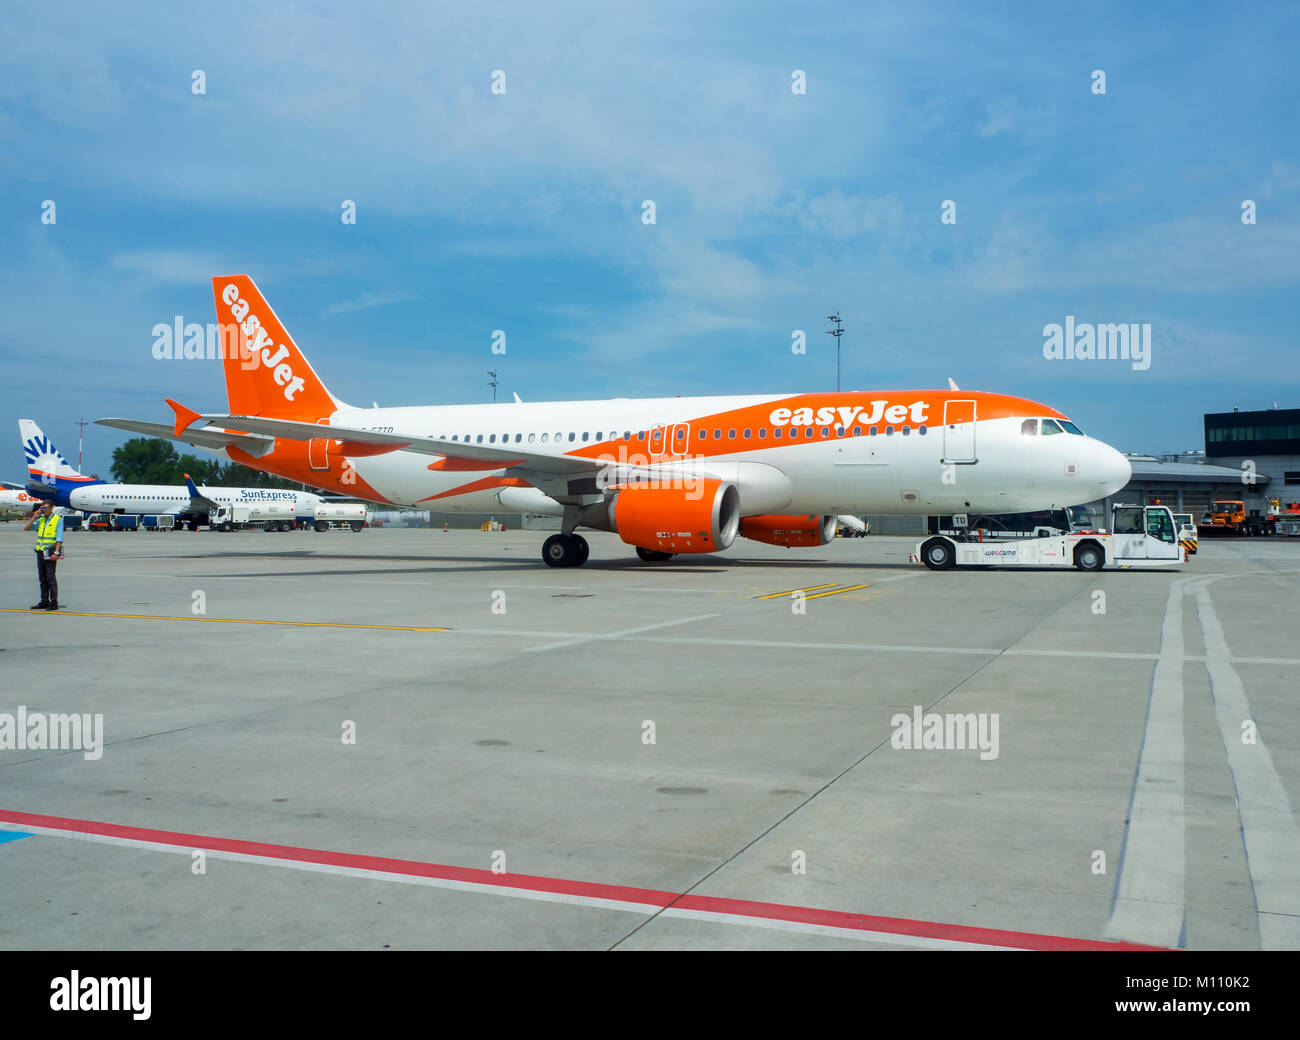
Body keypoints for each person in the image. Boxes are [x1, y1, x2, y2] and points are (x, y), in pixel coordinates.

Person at [23, 499, 64, 610]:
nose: (43, 510)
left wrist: (56, 552)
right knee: (42, 578)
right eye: (42, 508)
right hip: (40, 552)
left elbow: (59, 538)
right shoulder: (40, 520)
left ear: (51, 508)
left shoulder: (57, 520)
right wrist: (34, 517)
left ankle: (53, 602)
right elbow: (26, 528)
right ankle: (44, 601)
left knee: (50, 577)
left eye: (45, 508)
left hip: (51, 551)